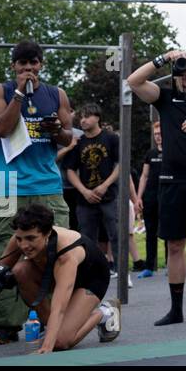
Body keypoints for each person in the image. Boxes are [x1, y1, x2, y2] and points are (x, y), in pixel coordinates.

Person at [0, 41, 75, 345]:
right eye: (22, 65)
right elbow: (2, 128)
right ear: (14, 68)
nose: (28, 69)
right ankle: (7, 326)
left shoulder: (56, 94)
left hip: (46, 185)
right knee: (5, 255)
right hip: (9, 186)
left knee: (55, 254)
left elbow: (67, 137)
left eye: (33, 63)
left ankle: (54, 319)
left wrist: (56, 130)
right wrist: (19, 94)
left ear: (41, 65)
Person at [126, 50, 186, 326]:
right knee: (174, 245)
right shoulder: (167, 98)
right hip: (171, 181)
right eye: (183, 68)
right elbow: (133, 81)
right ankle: (176, 309)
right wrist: (163, 59)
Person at [0, 204, 120, 352]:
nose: (24, 245)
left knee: (60, 342)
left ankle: (105, 312)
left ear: (47, 234)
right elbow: (1, 270)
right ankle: (53, 327)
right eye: (20, 239)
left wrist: (47, 347)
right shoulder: (21, 236)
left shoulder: (66, 255)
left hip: (90, 279)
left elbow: (59, 308)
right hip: (53, 273)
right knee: (20, 270)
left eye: (31, 238)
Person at [63, 104, 122, 274]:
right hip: (85, 199)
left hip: (109, 196)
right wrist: (84, 191)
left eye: (87, 116)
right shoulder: (78, 142)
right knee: (86, 238)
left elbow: (121, 164)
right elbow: (70, 170)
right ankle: (92, 273)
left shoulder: (111, 138)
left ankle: (121, 272)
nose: (82, 120)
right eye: (81, 116)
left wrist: (104, 186)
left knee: (115, 235)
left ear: (97, 117)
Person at [136, 119, 164, 277]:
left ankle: (170, 263)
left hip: (167, 197)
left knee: (168, 231)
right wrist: (139, 197)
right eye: (155, 134)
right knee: (151, 232)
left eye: (160, 134)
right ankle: (149, 266)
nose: (158, 137)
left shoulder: (172, 151)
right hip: (150, 198)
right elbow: (144, 176)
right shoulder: (150, 153)